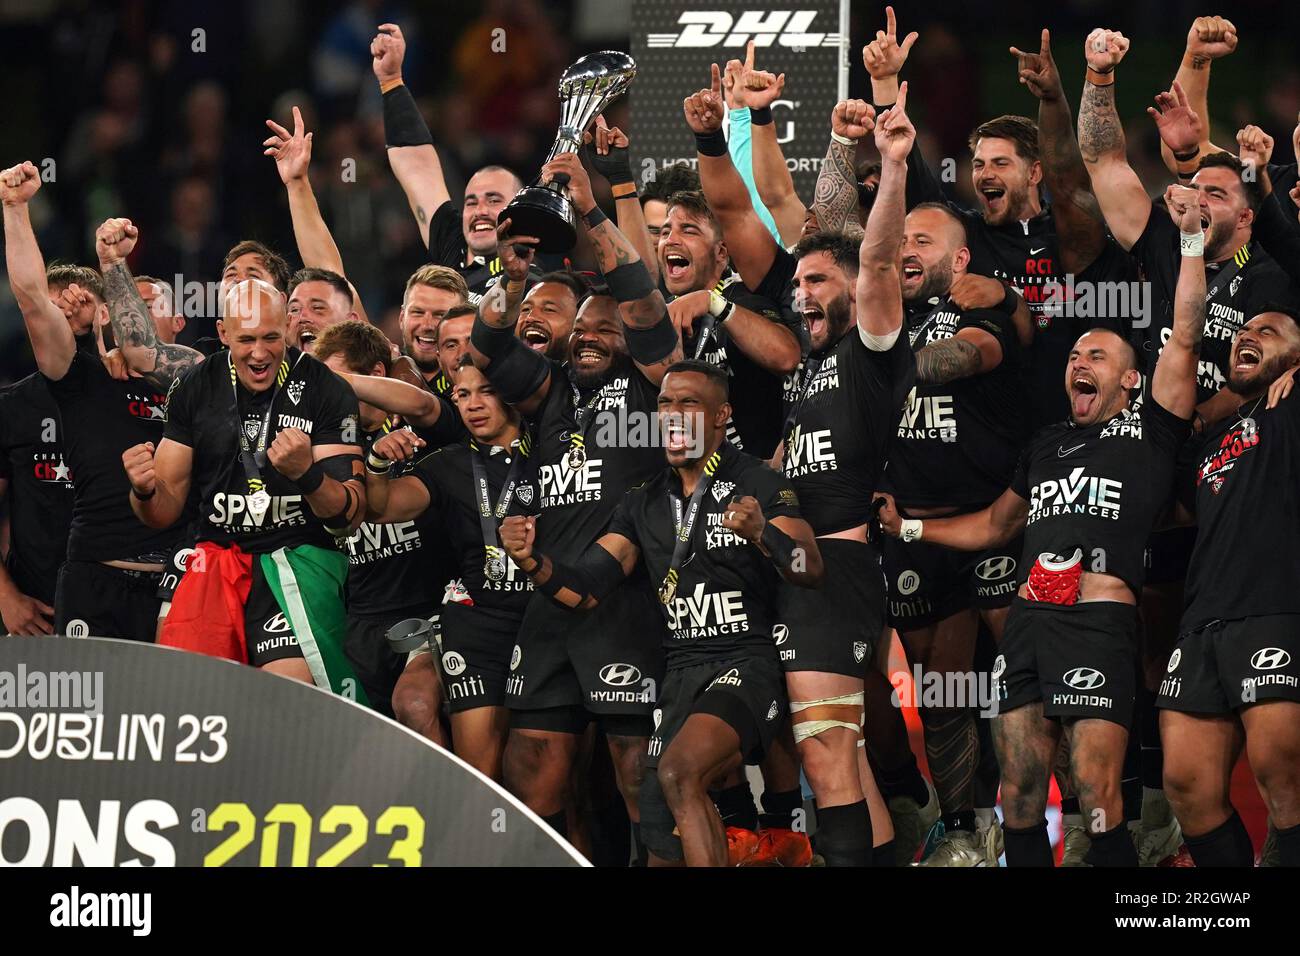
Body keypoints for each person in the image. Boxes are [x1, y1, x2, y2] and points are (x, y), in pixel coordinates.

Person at [877, 182, 1208, 866]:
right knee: (1023, 796)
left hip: (1097, 623)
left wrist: (1195, 243)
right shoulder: (1047, 443)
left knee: (1093, 792)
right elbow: (996, 527)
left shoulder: (1150, 433)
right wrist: (908, 530)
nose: (1078, 362)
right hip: (1029, 626)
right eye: (1074, 354)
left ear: (1132, 382)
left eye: (1097, 356)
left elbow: (1186, 327)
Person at [500, 361, 822, 865]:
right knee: (657, 826)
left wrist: (765, 534)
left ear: (722, 416)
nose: (672, 414)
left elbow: (809, 566)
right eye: (665, 404)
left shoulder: (755, 480)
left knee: (679, 772)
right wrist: (532, 562)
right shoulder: (643, 501)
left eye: (689, 403)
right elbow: (583, 591)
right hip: (678, 676)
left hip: (745, 665)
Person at [468, 146, 680, 860]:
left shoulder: (651, 384)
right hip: (545, 599)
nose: (588, 337)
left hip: (625, 603)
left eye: (604, 329)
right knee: (536, 783)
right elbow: (489, 341)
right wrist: (508, 276)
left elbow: (645, 300)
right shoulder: (552, 392)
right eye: (581, 329)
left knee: (635, 781)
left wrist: (590, 208)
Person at [122, 276, 367, 694]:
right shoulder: (194, 387)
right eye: (246, 339)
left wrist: (306, 474)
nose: (259, 353)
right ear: (222, 333)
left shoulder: (326, 389)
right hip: (215, 560)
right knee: (187, 699)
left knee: (287, 701)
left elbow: (349, 515)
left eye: (272, 337)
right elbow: (162, 511)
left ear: (289, 327)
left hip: (297, 560)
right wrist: (143, 488)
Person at [879, 196, 1026, 865]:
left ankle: (1023, 824)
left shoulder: (977, 309)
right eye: (901, 239)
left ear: (960, 260)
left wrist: (881, 366)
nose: (908, 249)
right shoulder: (878, 316)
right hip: (906, 533)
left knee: (1004, 685)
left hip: (989, 531)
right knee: (940, 700)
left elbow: (969, 356)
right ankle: (962, 828)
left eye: (925, 241)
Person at [2, 163, 181, 641]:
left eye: (148, 306)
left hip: (179, 582)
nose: (134, 316)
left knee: (169, 709)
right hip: (95, 583)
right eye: (126, 304)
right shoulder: (80, 378)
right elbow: (33, 301)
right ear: (106, 315)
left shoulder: (194, 379)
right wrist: (16, 209)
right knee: (88, 709)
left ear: (179, 321)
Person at [1158, 306, 1300, 867]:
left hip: (1274, 605)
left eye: (1269, 332)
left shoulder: (1291, 408)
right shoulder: (1214, 438)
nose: (1248, 335)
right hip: (1200, 619)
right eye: (1244, 330)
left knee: (1281, 769)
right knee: (1187, 785)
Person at [363, 355, 536, 778]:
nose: (473, 404)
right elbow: (382, 509)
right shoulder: (447, 463)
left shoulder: (554, 453)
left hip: (546, 621)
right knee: (482, 779)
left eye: (487, 392)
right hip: (479, 625)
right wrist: (377, 464)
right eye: (462, 395)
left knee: (549, 782)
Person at [314, 320, 462, 717]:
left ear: (375, 375)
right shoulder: (326, 447)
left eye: (334, 380)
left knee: (414, 706)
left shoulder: (423, 431)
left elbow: (421, 404)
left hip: (431, 610)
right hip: (359, 621)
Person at [371, 22, 542, 303]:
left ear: (519, 213)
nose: (479, 210)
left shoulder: (533, 283)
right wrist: (391, 81)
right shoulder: (453, 245)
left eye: (494, 199)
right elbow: (417, 168)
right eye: (471, 202)